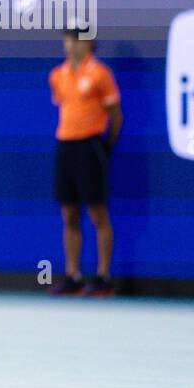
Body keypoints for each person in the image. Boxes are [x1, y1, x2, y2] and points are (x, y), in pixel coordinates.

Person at [49, 26, 123, 297]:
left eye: (77, 38)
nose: (71, 44)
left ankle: (103, 276)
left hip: (90, 146)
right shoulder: (57, 75)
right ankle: (73, 275)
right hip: (66, 145)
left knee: (97, 213)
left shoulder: (101, 74)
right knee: (68, 213)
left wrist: (104, 147)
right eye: (68, 38)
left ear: (89, 42)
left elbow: (115, 116)